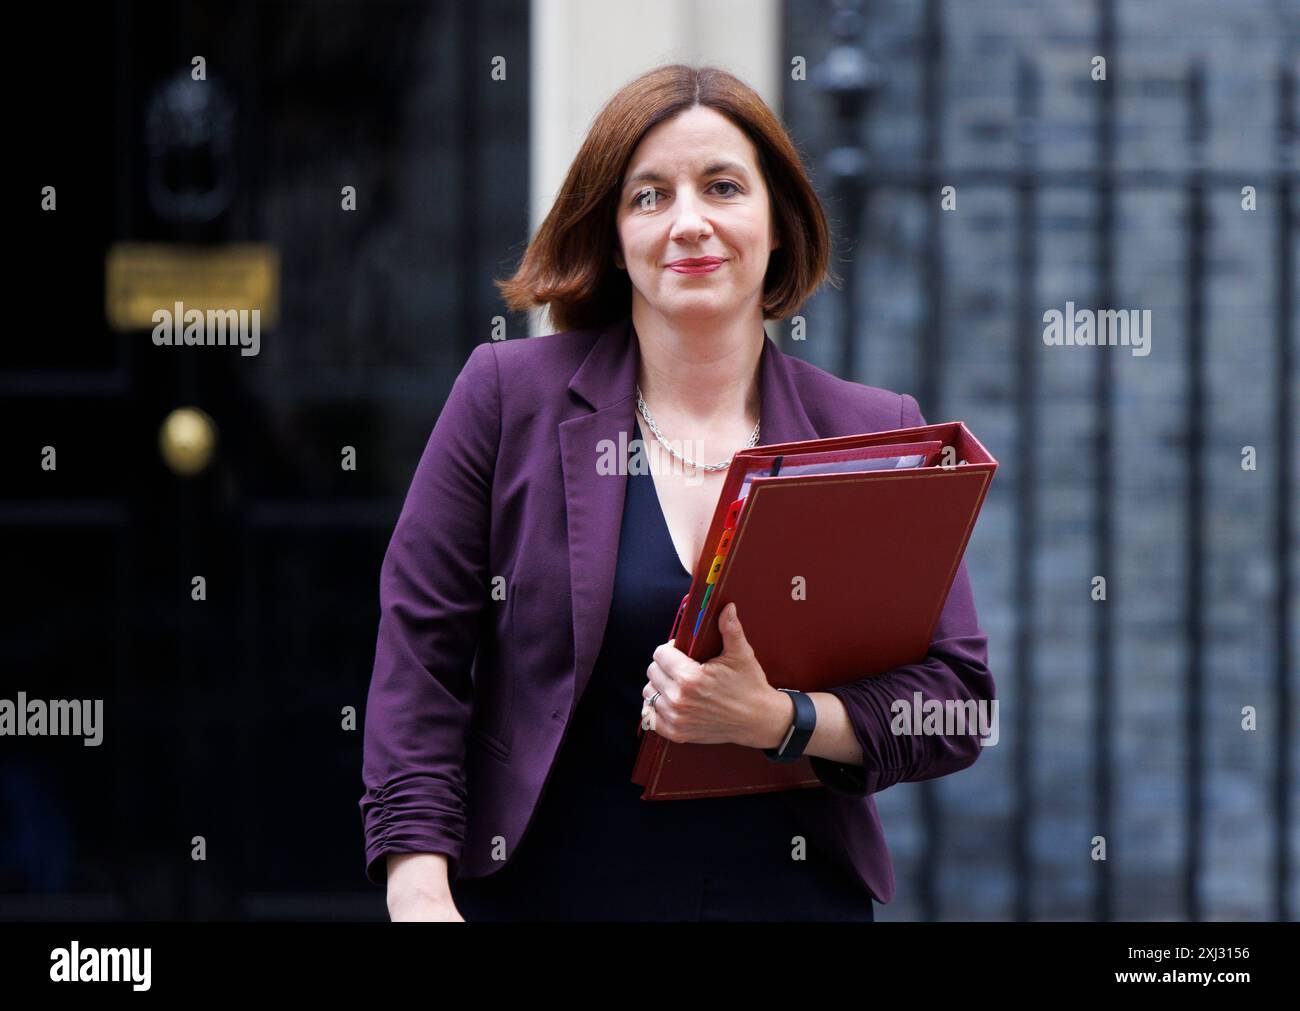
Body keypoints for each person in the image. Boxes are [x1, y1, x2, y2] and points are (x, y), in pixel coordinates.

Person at [360, 63, 995, 921]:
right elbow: (420, 656)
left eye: (723, 187)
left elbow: (955, 704)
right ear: (613, 233)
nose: (689, 222)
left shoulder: (872, 430)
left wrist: (781, 718)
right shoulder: (507, 397)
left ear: (778, 223)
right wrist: (417, 883)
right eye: (649, 196)